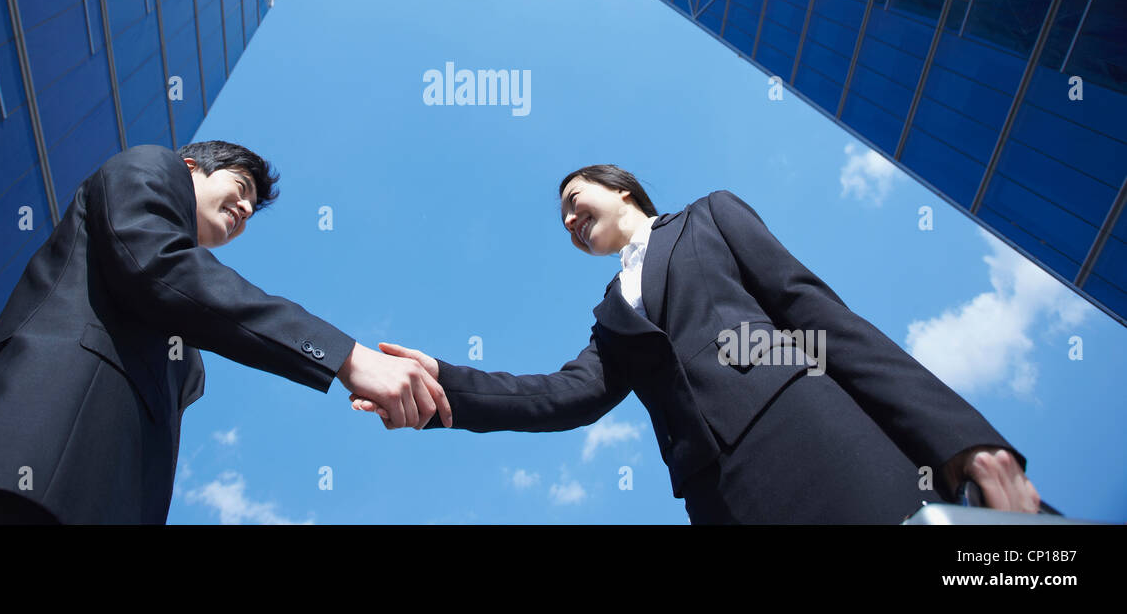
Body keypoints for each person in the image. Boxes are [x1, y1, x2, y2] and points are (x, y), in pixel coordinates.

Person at [351, 164, 1041, 523]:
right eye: (562, 218)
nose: (567, 220)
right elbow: (566, 396)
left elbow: (819, 317)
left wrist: (960, 439)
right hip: (721, 504)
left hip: (820, 441)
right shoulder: (609, 315)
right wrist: (442, 382)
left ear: (622, 190)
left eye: (574, 199)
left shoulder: (710, 216)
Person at [0, 141, 450, 524]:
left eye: (249, 213)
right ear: (191, 167)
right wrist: (345, 357)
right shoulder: (150, 168)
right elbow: (157, 265)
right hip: (23, 474)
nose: (243, 211)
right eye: (239, 190)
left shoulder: (189, 340)